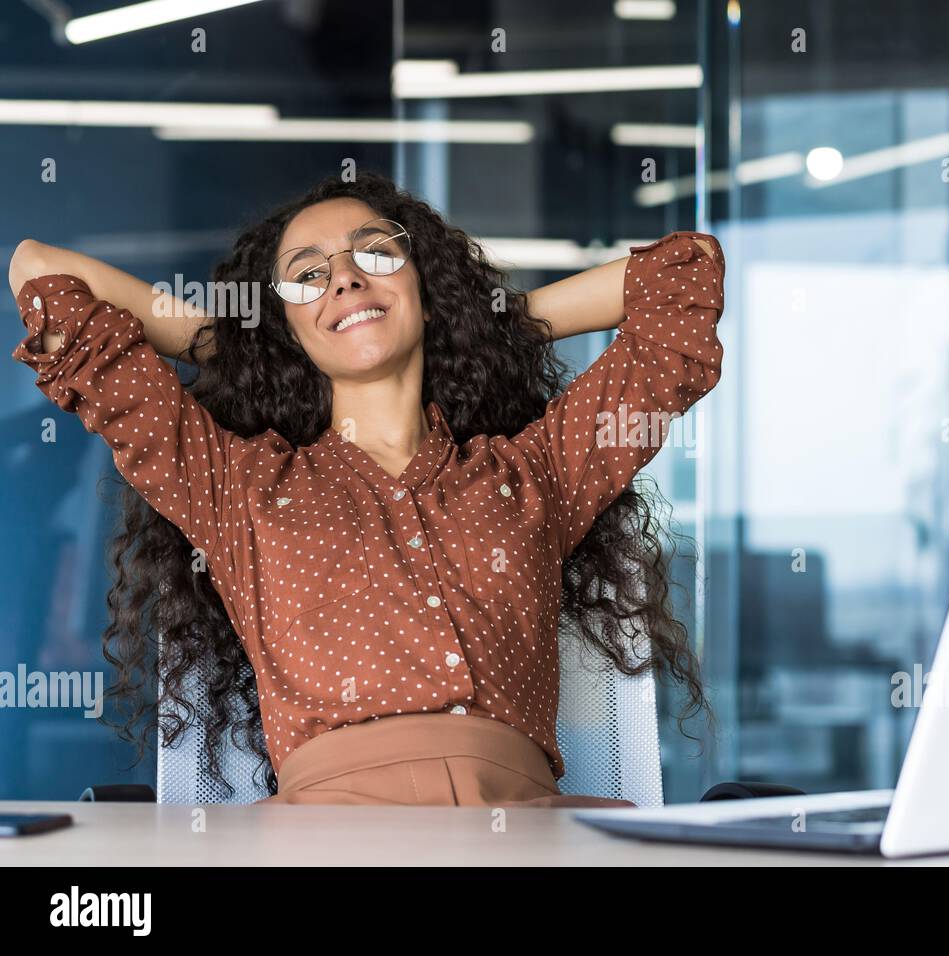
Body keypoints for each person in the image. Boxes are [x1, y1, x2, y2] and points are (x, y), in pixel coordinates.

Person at [8, 170, 725, 807]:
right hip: (323, 841)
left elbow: (685, 277)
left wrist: (483, 325)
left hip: (525, 834)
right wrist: (249, 346)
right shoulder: (234, 486)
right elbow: (39, 272)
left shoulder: (536, 472)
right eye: (307, 277)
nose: (345, 278)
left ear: (426, 284)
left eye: (375, 253)